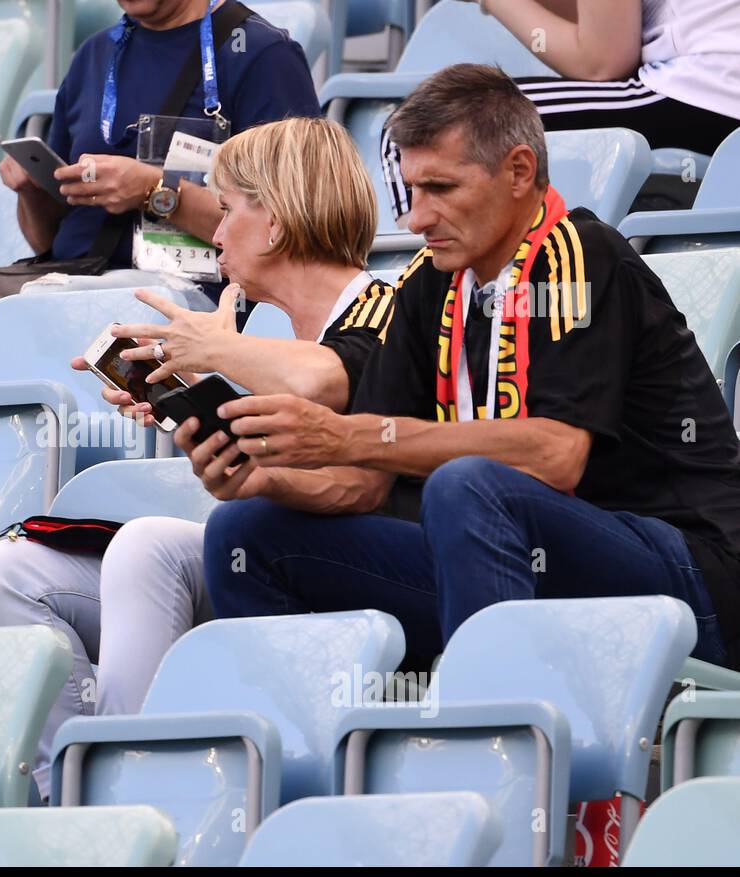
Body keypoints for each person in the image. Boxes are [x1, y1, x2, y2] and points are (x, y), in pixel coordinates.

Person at [191, 65, 740, 673]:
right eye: (411, 192)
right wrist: (266, 479)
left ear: (519, 172)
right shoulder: (431, 284)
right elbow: (364, 484)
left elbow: (555, 456)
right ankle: (310, 751)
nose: (416, 219)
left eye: (441, 189)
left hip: (685, 578)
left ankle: (494, 737)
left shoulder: (581, 256)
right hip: (518, 561)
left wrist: (348, 435)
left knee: (466, 484)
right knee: (247, 532)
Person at [0, 117, 395, 798]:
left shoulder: (387, 309)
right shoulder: (261, 323)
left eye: (227, 211)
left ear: (278, 224)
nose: (215, 234)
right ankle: (67, 795)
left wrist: (221, 381)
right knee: (3, 572)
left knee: (148, 547)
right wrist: (188, 407)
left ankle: (124, 798)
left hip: (345, 569)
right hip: (257, 554)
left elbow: (364, 482)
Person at [0, 0, 320, 280]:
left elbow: (290, 232)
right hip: (69, 299)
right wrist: (31, 192)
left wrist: (154, 192)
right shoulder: (94, 54)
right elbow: (49, 243)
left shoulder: (261, 54)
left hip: (191, 313)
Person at [382, 0, 740, 221]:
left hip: (703, 92)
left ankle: (417, 307)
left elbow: (603, 62)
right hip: (715, 94)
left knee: (416, 130)